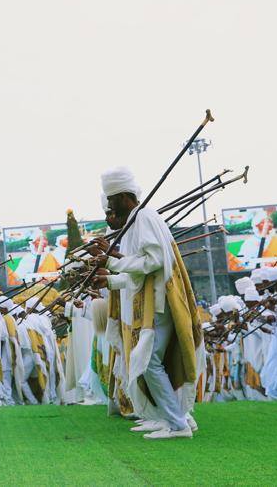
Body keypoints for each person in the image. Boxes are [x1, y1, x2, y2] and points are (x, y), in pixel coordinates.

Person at [90, 166, 202, 439]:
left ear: (125, 197)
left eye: (113, 201)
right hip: (150, 300)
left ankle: (178, 423)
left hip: (160, 303)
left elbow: (153, 263)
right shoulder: (136, 220)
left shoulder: (144, 217)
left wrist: (113, 260)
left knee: (148, 361)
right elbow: (137, 275)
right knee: (150, 361)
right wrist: (111, 280)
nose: (111, 207)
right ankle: (166, 418)